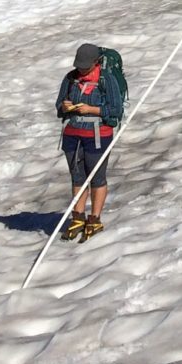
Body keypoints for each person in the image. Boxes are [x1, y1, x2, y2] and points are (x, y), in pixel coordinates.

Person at [56, 42, 122, 239]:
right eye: (80, 66)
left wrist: (92, 110)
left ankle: (94, 219)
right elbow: (59, 104)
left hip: (98, 135)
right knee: (77, 177)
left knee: (97, 177)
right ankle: (78, 216)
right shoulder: (70, 78)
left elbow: (116, 110)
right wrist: (65, 107)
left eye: (86, 66)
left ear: (96, 62)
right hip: (72, 134)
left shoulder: (106, 80)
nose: (82, 70)